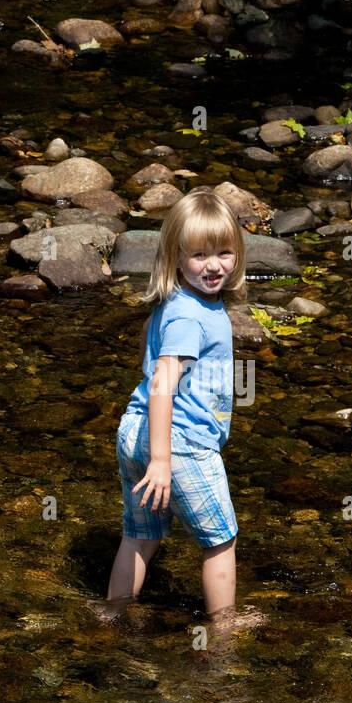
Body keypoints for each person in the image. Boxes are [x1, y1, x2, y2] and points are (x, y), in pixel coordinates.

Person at [107, 186, 246, 621]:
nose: (213, 266)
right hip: (180, 444)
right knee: (220, 541)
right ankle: (224, 632)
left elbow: (151, 360)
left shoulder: (176, 303)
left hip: (135, 430)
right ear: (175, 256)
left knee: (141, 535)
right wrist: (162, 460)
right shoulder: (190, 317)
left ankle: (113, 614)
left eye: (224, 252)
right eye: (199, 256)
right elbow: (163, 385)